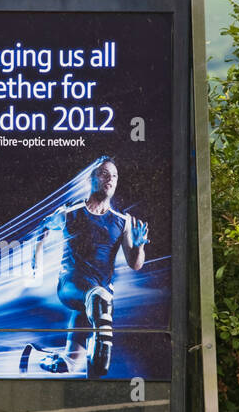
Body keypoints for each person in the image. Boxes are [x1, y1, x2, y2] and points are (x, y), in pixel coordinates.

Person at [22, 156, 148, 377]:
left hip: (98, 301)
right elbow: (43, 229)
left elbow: (135, 264)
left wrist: (138, 247)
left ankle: (40, 359)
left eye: (115, 176)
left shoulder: (122, 221)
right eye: (105, 174)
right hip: (71, 286)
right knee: (100, 298)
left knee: (72, 365)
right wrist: (36, 268)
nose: (110, 179)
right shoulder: (71, 212)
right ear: (92, 178)